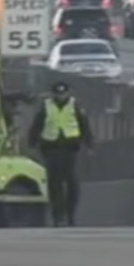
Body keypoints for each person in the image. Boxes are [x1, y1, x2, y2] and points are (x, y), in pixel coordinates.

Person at [28, 81, 95, 226]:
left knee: (72, 183)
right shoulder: (46, 106)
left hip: (70, 148)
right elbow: (37, 125)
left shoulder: (74, 105)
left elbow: (84, 124)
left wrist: (89, 144)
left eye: (63, 93)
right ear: (53, 94)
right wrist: (32, 144)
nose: (60, 96)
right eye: (58, 94)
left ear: (68, 93)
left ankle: (70, 214)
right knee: (54, 184)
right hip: (51, 147)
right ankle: (58, 216)